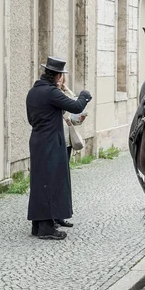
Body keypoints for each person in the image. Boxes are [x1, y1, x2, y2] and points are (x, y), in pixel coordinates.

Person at [27, 57, 92, 240]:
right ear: (56, 76)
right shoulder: (51, 93)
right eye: (61, 75)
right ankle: (47, 228)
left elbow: (30, 119)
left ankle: (37, 225)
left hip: (37, 141)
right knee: (52, 181)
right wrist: (84, 95)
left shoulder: (33, 92)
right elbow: (77, 106)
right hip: (51, 143)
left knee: (40, 182)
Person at [54, 74, 88, 228]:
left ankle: (59, 215)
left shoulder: (64, 94)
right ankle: (52, 216)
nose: (60, 81)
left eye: (62, 78)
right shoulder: (53, 95)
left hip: (66, 142)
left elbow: (74, 113)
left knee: (63, 180)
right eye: (58, 78)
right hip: (55, 141)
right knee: (55, 180)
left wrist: (78, 119)